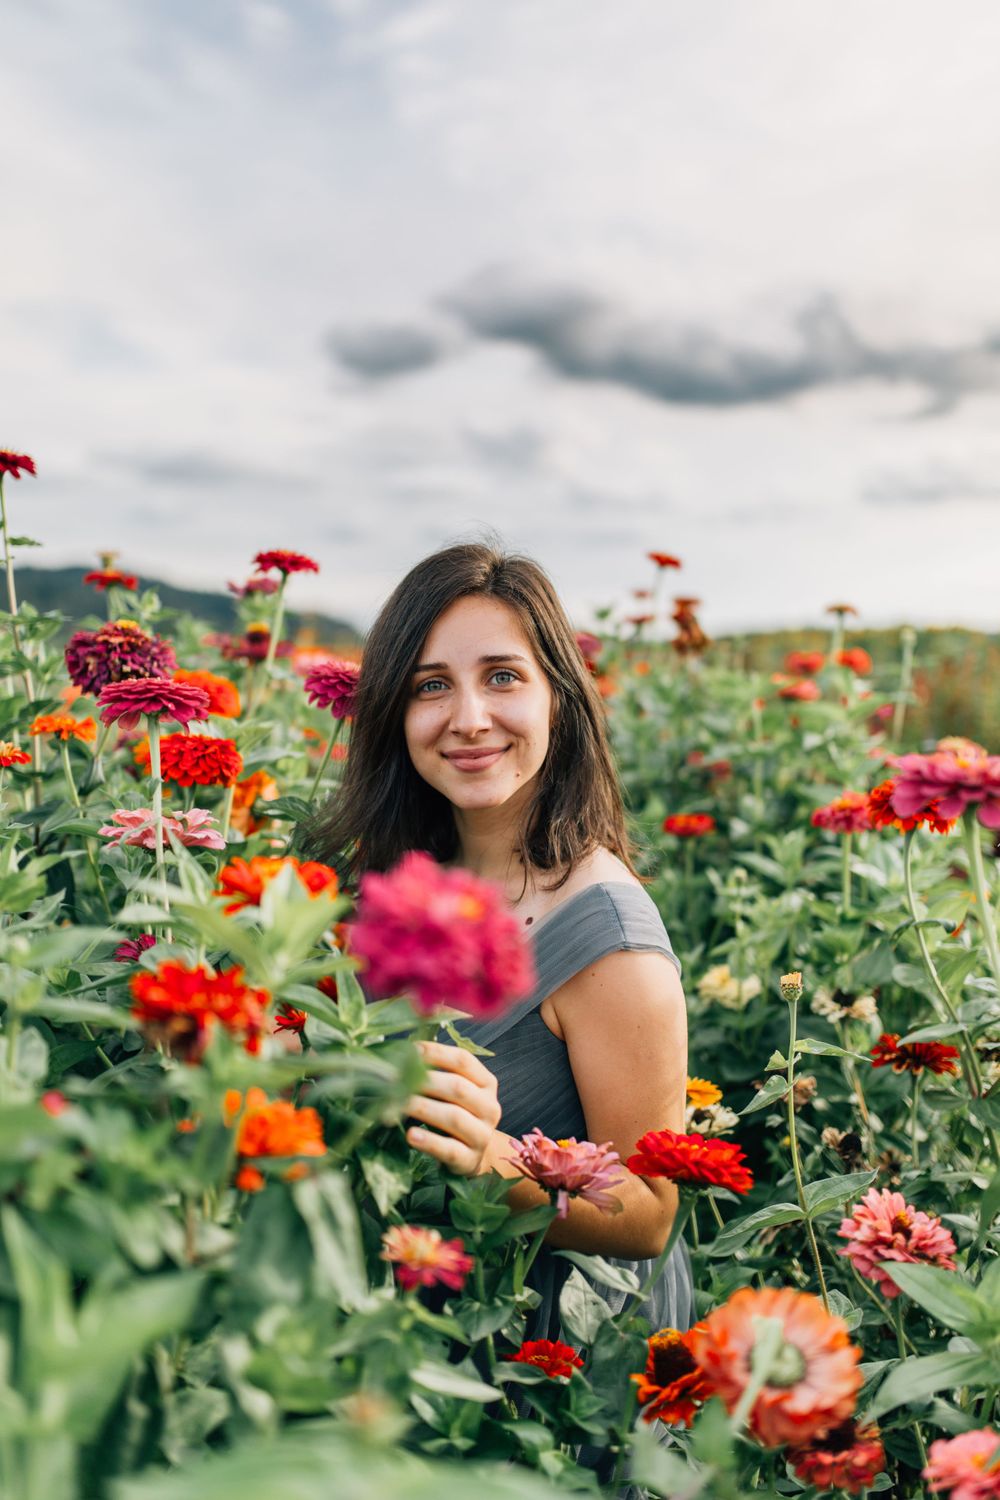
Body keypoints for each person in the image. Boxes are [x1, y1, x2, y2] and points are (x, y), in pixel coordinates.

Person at [308, 540, 692, 1346]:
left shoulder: (608, 939)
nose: (469, 718)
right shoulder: (398, 878)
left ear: (559, 698)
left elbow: (652, 1217)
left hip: (540, 1346)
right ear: (392, 713)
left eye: (503, 677)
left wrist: (491, 1161)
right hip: (397, 1322)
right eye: (431, 686)